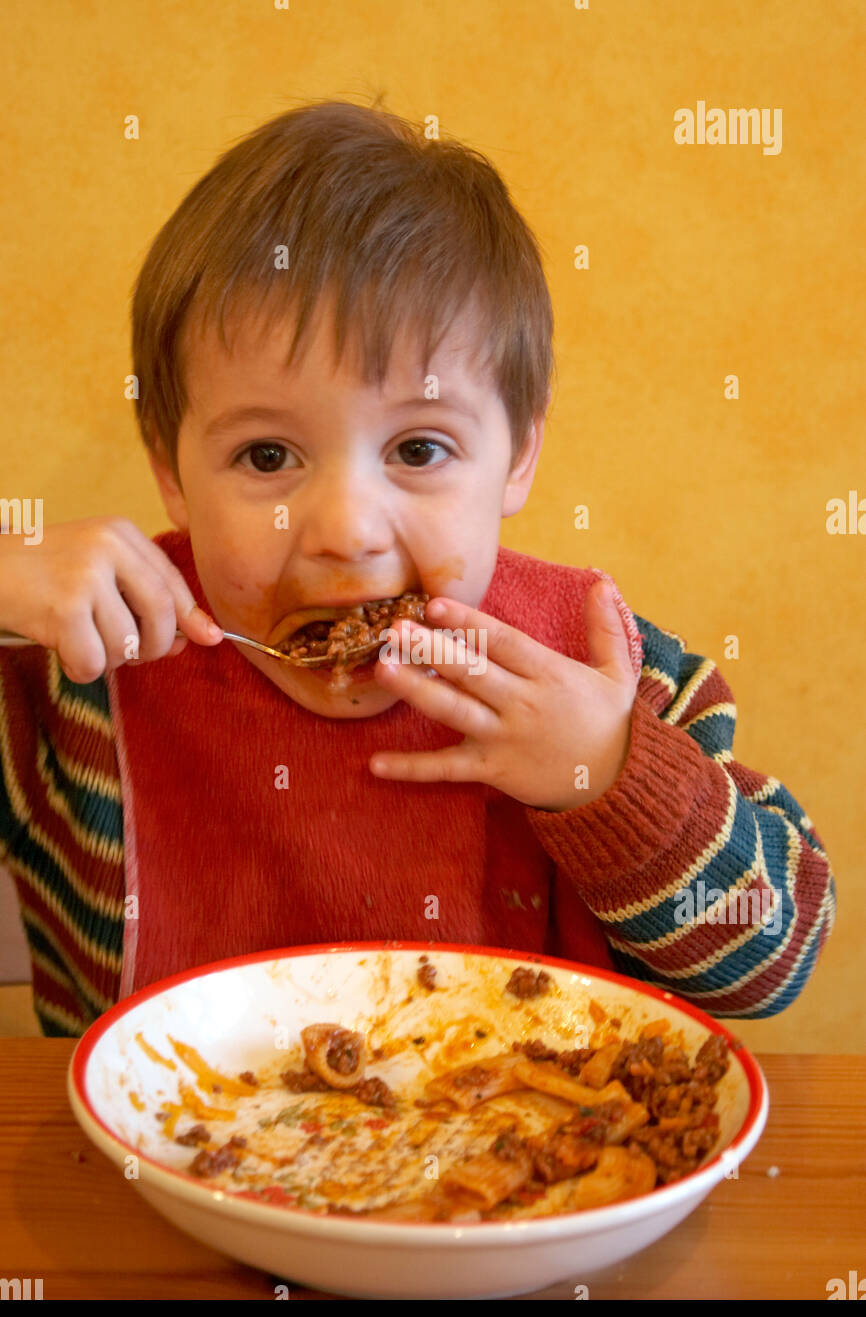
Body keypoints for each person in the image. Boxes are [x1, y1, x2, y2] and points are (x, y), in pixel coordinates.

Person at [0, 100, 835, 1037]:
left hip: (531, 1167)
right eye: (268, 457)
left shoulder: (602, 671)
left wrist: (607, 778)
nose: (347, 530)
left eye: (420, 449)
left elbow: (776, 960)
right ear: (173, 474)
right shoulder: (83, 668)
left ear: (518, 453)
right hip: (153, 1172)